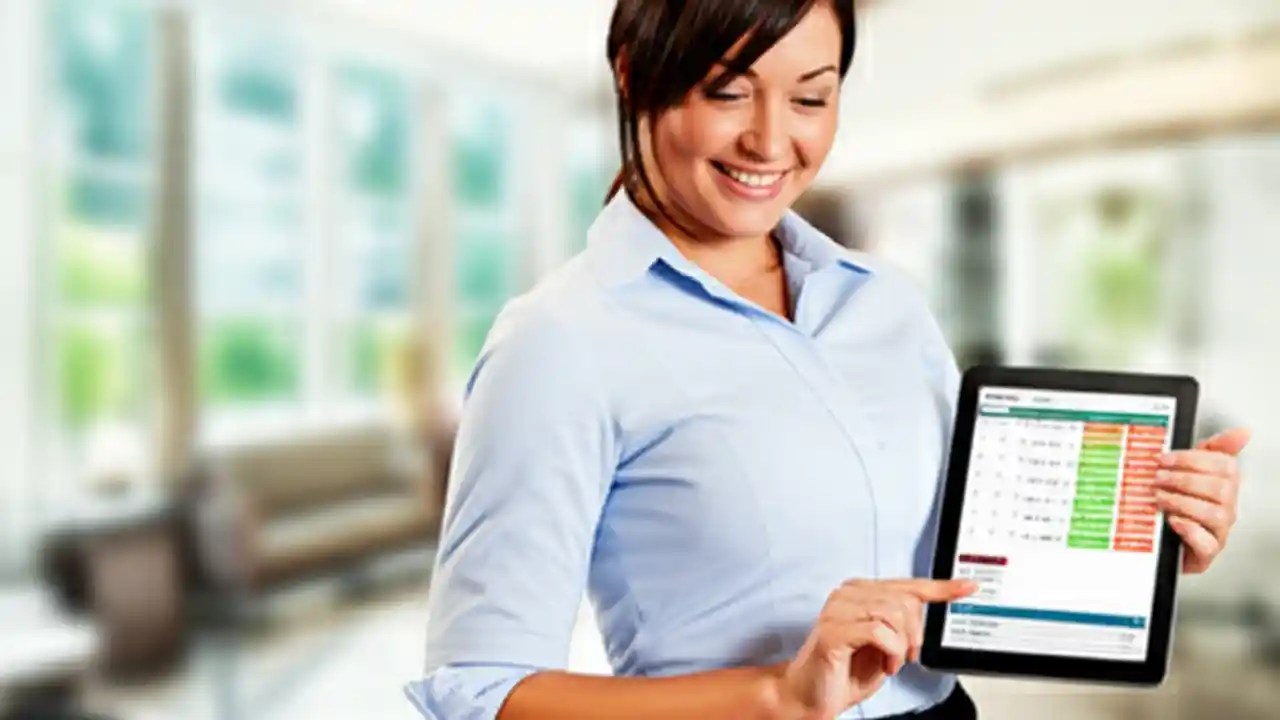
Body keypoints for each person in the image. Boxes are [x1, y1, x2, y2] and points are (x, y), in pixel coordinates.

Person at [406, 1, 1252, 718]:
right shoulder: (560, 340)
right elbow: (483, 687)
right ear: (631, 72)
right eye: (728, 91)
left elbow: (966, 557)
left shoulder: (884, 300)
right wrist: (781, 695)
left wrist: (1141, 540)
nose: (771, 141)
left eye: (811, 98)